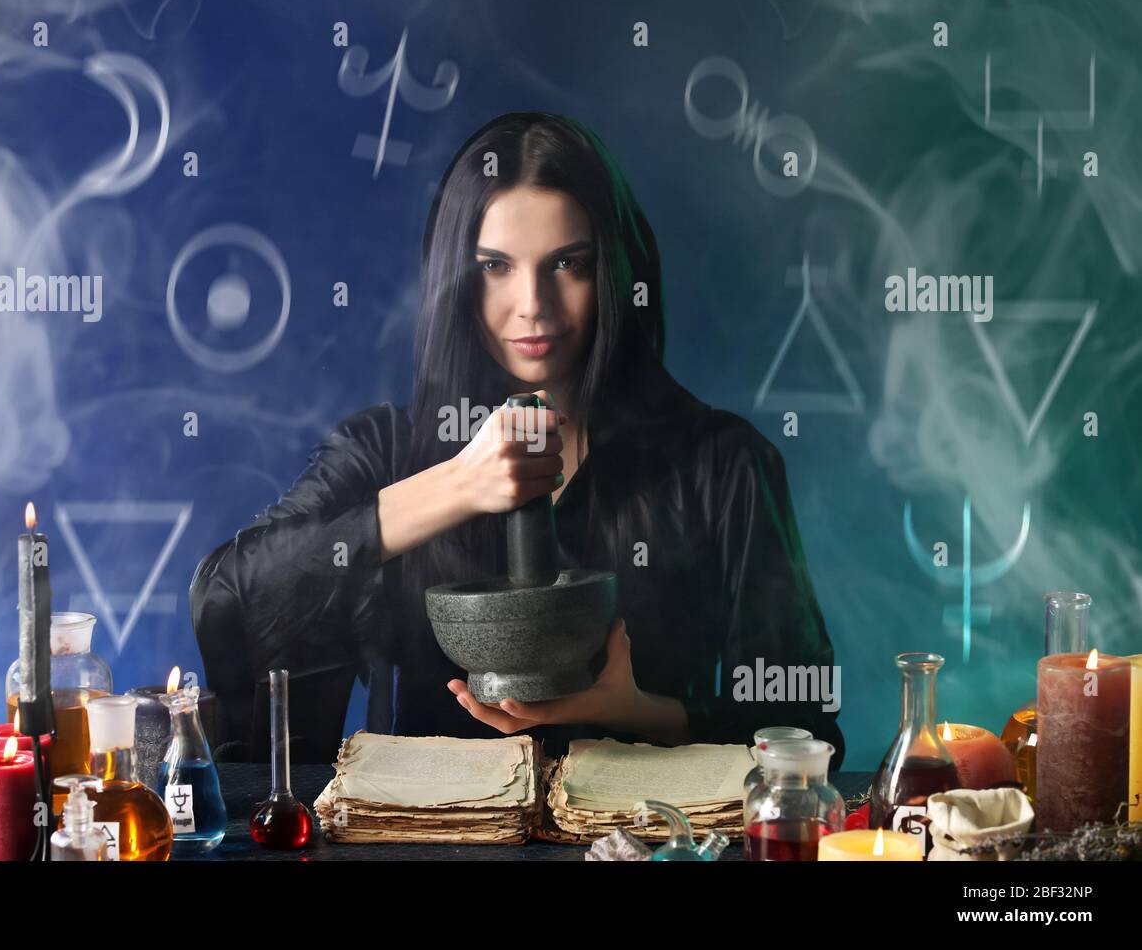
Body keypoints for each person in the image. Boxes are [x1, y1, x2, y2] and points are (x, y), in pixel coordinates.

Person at [190, 112, 844, 767]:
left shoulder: (721, 463)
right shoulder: (385, 450)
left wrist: (638, 715)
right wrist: (456, 485)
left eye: (569, 264)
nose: (532, 303)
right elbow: (228, 599)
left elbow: (808, 733)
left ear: (614, 271)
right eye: (496, 266)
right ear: (456, 278)